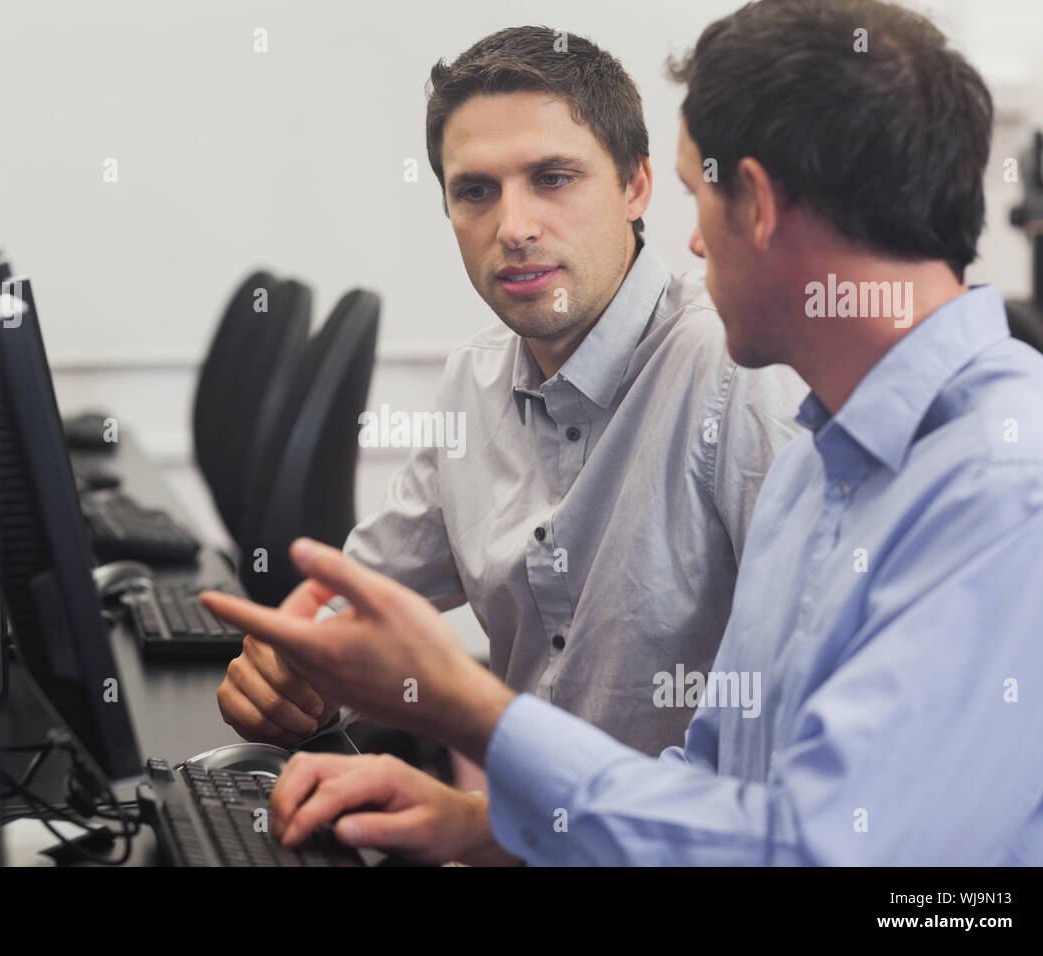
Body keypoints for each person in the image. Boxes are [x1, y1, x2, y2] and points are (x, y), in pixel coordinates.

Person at [202, 0, 1043, 865]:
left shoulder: (1016, 482)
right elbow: (712, 792)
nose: (690, 239)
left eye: (698, 195)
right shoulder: (824, 460)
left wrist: (477, 714)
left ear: (752, 204)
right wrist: (476, 824)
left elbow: (821, 856)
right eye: (475, 190)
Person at [218, 25, 806, 759]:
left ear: (636, 186)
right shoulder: (477, 379)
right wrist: (295, 672)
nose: (514, 227)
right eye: (475, 192)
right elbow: (361, 603)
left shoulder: (737, 372)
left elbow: (799, 728)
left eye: (553, 178)